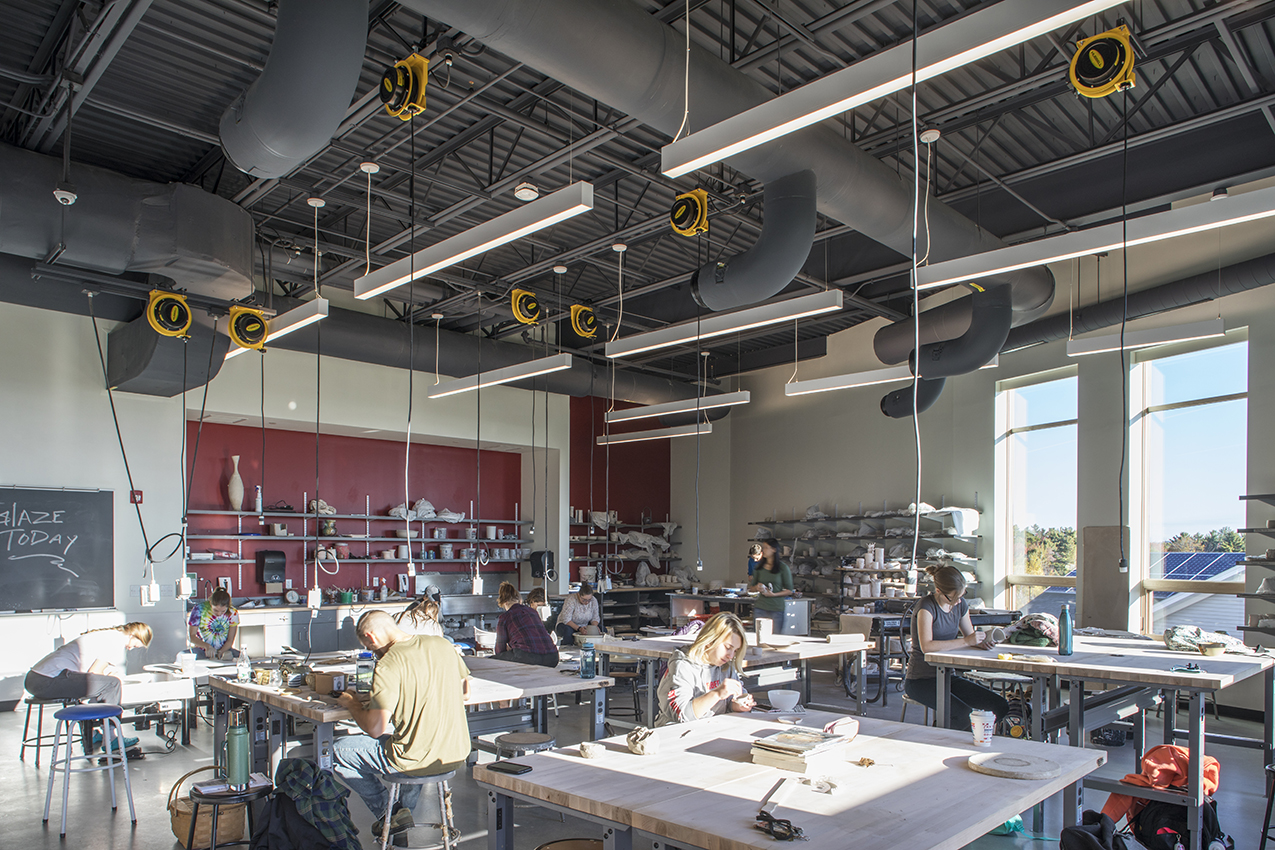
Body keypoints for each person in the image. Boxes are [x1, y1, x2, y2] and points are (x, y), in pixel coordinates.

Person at [333, 611, 472, 837]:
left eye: (369, 646)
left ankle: (389, 813)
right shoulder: (443, 645)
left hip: (416, 759)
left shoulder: (388, 664)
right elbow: (465, 692)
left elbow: (375, 728)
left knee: (337, 750)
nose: (374, 653)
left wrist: (352, 704)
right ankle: (402, 817)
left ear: (371, 637)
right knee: (411, 741)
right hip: (455, 753)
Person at [903, 564, 1007, 731]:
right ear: (938, 590)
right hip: (921, 680)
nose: (958, 601)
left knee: (999, 705)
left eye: (961, 596)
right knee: (961, 714)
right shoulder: (926, 607)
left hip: (946, 676)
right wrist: (967, 641)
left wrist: (983, 641)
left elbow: (969, 635)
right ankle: (943, 742)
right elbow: (927, 646)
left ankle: (975, 739)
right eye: (954, 597)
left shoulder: (960, 604)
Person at [654, 612, 755, 726]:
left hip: (712, 728)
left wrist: (739, 705)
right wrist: (716, 694)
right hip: (678, 734)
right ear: (710, 641)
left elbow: (729, 704)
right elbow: (682, 715)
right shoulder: (683, 666)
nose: (731, 656)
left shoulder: (726, 666)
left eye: (735, 650)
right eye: (728, 648)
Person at [26, 622, 153, 706]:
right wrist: (112, 677)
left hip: (34, 679)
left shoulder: (108, 635)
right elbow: (94, 672)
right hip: (47, 681)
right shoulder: (116, 641)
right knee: (113, 684)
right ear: (133, 635)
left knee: (100, 685)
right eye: (135, 645)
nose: (131, 649)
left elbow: (91, 675)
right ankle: (112, 737)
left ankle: (92, 734)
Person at [492, 582, 559, 667]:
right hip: (552, 657)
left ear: (504, 603)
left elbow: (499, 650)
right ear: (520, 600)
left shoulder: (504, 617)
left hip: (527, 657)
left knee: (492, 661)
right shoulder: (533, 612)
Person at [748, 538, 794, 634]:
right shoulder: (759, 568)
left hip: (776, 609)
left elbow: (789, 590)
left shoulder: (782, 568)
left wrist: (773, 595)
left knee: (774, 640)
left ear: (774, 549)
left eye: (766, 548)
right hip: (760, 608)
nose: (763, 550)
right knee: (759, 638)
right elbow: (751, 588)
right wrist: (756, 587)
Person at [188, 588, 239, 660]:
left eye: (223, 611)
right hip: (202, 650)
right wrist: (207, 647)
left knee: (244, 658)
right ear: (210, 603)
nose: (219, 614)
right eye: (215, 610)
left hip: (224, 650)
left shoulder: (233, 613)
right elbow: (192, 636)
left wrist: (221, 652)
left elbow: (230, 640)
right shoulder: (199, 609)